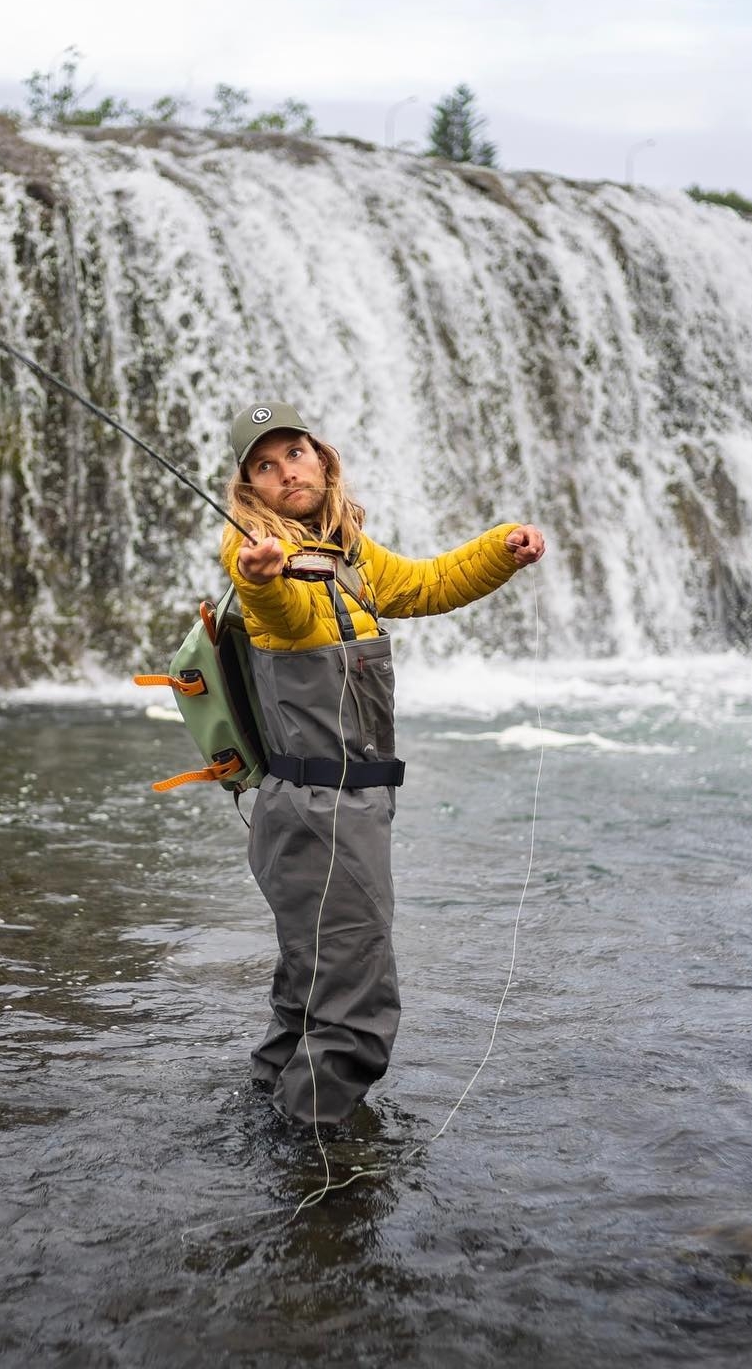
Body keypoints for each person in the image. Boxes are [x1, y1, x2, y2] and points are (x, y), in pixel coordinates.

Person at [221, 401, 545, 1127]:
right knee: (356, 1004)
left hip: (322, 807)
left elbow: (426, 584)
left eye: (294, 454)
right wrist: (262, 577)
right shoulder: (251, 550)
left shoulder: (349, 553)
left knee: (310, 986)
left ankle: (266, 1126)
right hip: (323, 809)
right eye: (264, 466)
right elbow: (283, 619)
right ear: (249, 489)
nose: (285, 472)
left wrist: (502, 547)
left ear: (322, 459)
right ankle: (319, 1165)